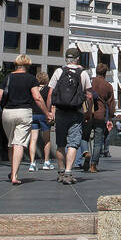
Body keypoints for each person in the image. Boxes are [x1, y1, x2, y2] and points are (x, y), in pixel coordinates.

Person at [0, 55, 49, 184]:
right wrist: (46, 113)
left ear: (16, 64)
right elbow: (37, 97)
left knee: (11, 143)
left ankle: (13, 171)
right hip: (24, 112)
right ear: (27, 65)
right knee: (19, 143)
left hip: (7, 113)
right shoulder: (31, 79)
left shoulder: (8, 77)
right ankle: (15, 175)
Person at [47, 47, 93, 184]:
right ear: (78, 59)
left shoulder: (59, 71)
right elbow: (89, 96)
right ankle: (68, 172)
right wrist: (88, 112)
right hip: (76, 112)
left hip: (60, 112)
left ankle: (61, 171)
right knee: (73, 143)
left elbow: (50, 93)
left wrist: (49, 112)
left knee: (60, 143)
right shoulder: (83, 73)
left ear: (66, 59)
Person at [80, 65, 116, 173]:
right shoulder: (108, 86)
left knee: (83, 137)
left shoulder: (90, 81)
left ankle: (86, 152)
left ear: (96, 71)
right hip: (100, 116)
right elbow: (111, 104)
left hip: (88, 113)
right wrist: (110, 117)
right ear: (106, 73)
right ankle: (93, 165)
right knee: (98, 142)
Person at [28, 69, 55, 172]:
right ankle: (46, 162)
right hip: (44, 115)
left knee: (33, 140)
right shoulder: (48, 89)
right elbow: (51, 102)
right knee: (47, 140)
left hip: (33, 115)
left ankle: (32, 163)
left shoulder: (32, 89)